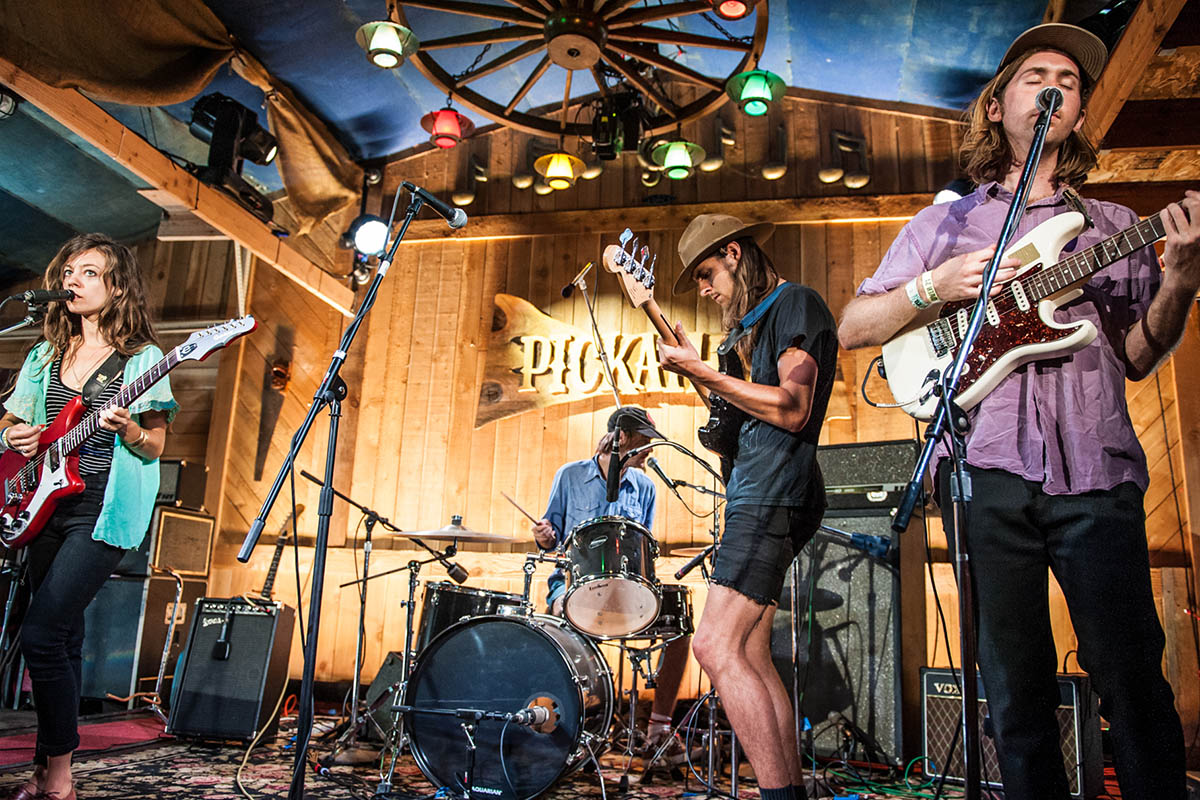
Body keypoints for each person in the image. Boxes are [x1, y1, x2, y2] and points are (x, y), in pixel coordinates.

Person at [838, 23, 1196, 799]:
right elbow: (855, 327)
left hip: (1096, 471)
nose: (1055, 85)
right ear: (998, 105)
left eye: (1069, 78)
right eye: (1037, 73)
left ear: (1076, 114)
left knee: (1134, 681)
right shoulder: (946, 225)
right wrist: (930, 289)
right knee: (1013, 691)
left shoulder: (1108, 228)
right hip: (985, 472)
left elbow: (1139, 353)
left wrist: (1182, 279)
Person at [655, 213, 837, 800]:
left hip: (773, 494)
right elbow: (738, 421)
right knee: (751, 652)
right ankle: (791, 792)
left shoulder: (796, 305)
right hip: (759, 492)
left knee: (713, 645)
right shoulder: (748, 332)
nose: (705, 290)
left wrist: (704, 369)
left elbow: (791, 406)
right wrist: (703, 373)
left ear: (734, 253)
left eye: (707, 274)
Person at [1, 233, 177, 800]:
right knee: (65, 638)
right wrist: (13, 434)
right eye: (68, 271)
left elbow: (154, 445)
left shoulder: (142, 361)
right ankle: (48, 766)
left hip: (101, 507)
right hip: (40, 504)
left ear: (117, 286)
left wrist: (129, 429)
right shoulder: (44, 354)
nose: (72, 281)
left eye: (89, 273)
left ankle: (58, 771)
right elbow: (8, 423)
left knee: (42, 632)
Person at [531, 406, 692, 761]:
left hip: (628, 590)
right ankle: (575, 727)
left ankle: (659, 730)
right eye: (644, 442)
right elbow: (552, 541)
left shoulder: (646, 486)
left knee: (679, 626)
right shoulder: (570, 476)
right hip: (573, 586)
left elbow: (643, 550)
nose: (650, 450)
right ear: (621, 439)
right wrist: (544, 537)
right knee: (563, 619)